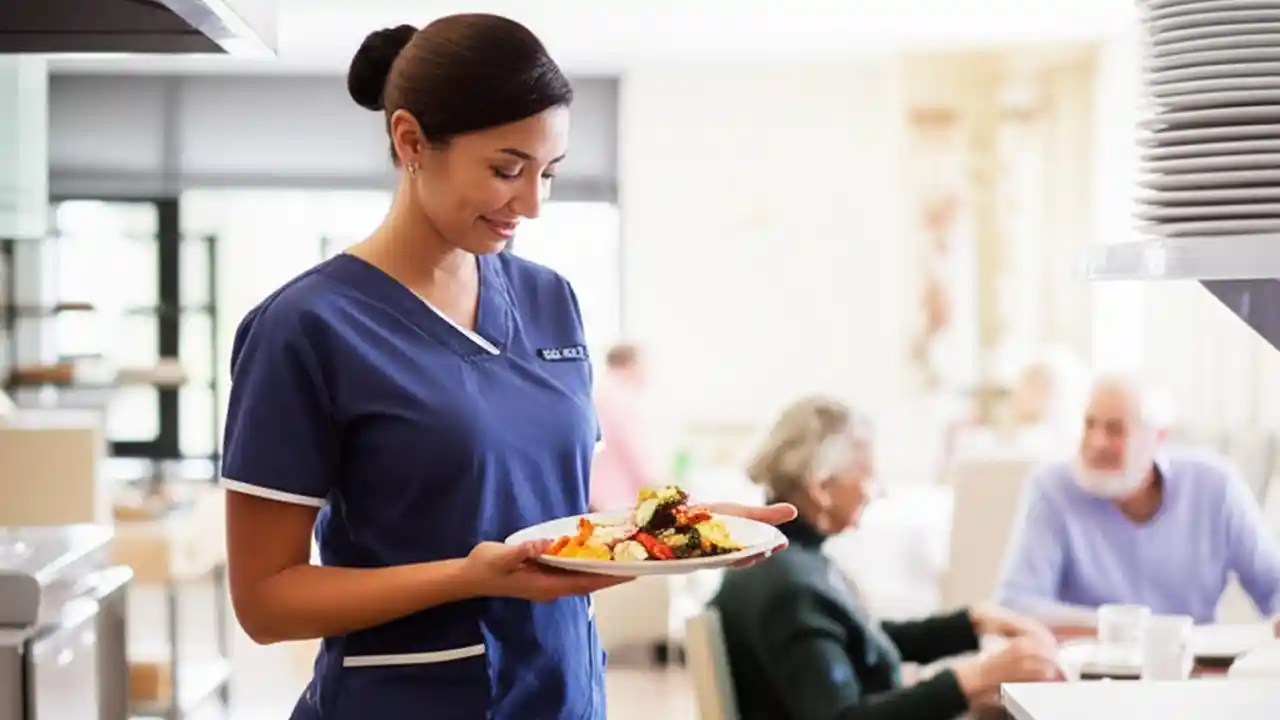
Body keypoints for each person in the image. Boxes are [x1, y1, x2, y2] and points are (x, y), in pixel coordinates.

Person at [218, 15, 794, 720]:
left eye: (548, 173)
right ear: (411, 142)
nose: (533, 204)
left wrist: (679, 535)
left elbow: (557, 525)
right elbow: (267, 602)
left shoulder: (550, 300)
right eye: (506, 169)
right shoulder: (306, 327)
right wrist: (468, 578)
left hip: (564, 694)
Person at [713, 396, 1062, 720]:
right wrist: (974, 678)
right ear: (820, 487)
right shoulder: (791, 591)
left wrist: (971, 623)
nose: (879, 491)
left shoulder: (782, 561)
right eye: (868, 477)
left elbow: (856, 641)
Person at [995, 373, 1280, 625]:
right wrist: (1125, 628)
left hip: (1193, 671)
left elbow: (1273, 582)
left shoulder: (1215, 486)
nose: (1096, 442)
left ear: (1159, 437)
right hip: (1086, 673)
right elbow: (1016, 604)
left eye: (1115, 429)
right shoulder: (1053, 488)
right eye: (1090, 424)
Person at [589, 343, 663, 510]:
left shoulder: (599, 391)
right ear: (631, 364)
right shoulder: (621, 396)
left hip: (596, 493)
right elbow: (636, 453)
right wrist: (665, 490)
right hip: (617, 499)